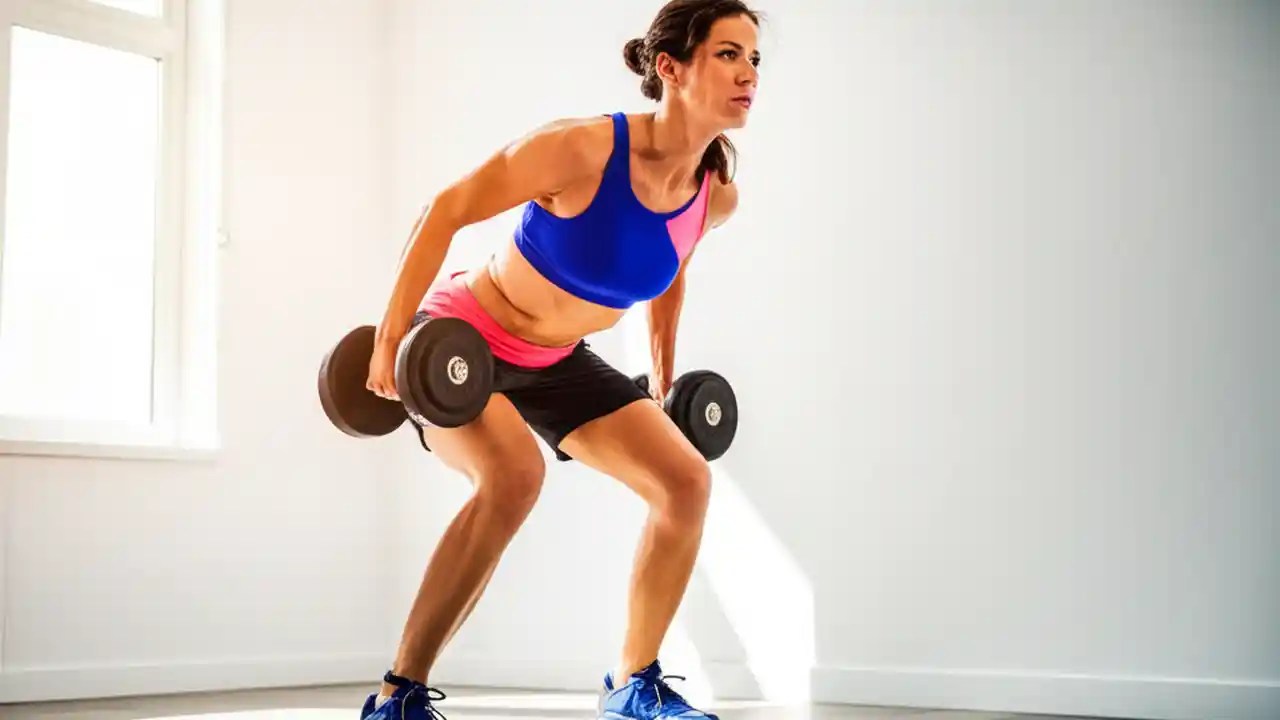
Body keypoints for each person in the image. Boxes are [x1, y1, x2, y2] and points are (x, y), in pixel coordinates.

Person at [360, 1, 761, 718]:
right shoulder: (582, 149)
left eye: (755, 60)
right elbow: (444, 209)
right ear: (671, 67)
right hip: (466, 338)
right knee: (514, 475)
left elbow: (671, 273)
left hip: (560, 360)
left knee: (684, 482)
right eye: (729, 53)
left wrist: (664, 381)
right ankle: (398, 694)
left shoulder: (714, 195)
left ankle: (633, 685)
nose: (748, 74)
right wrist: (392, 340)